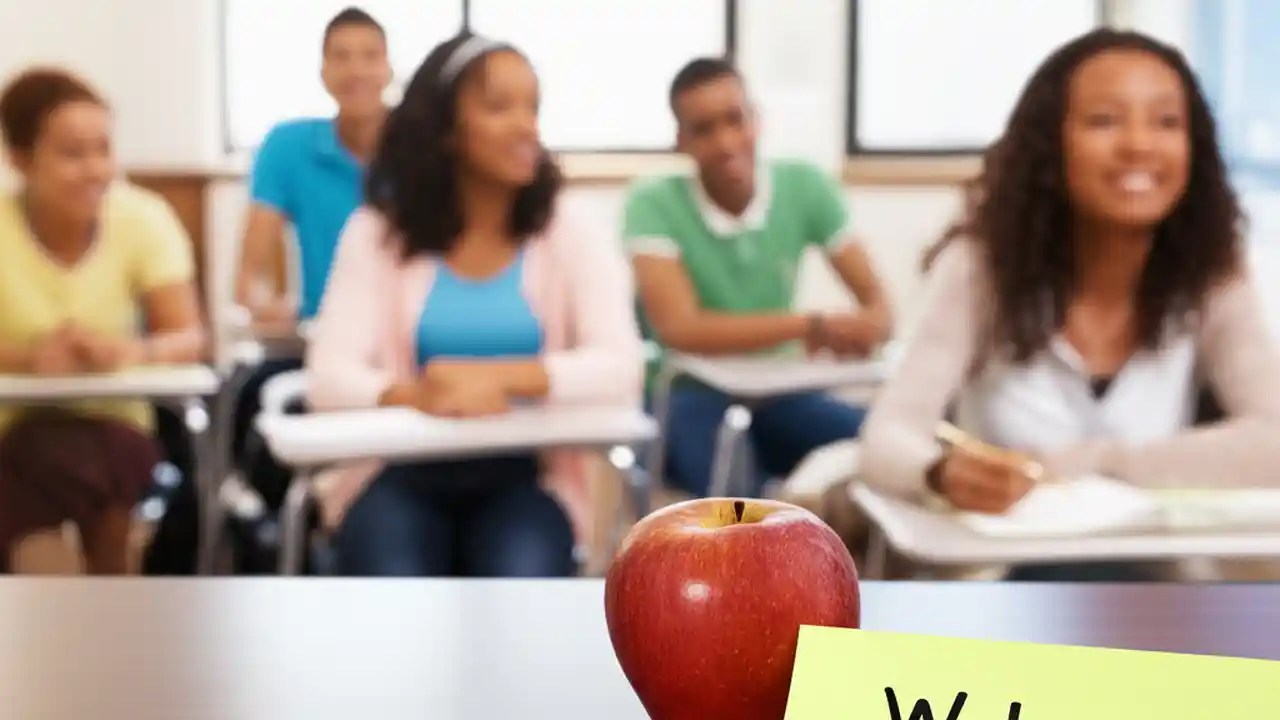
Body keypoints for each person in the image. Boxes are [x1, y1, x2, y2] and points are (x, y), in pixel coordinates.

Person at [860, 29, 1280, 581]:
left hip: (1160, 587)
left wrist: (1095, 464)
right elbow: (885, 438)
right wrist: (939, 472)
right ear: (1051, 146)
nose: (1139, 144)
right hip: (1005, 591)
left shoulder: (1213, 273)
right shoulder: (980, 268)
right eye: (1105, 120)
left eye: (1166, 122)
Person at [305, 33, 645, 577]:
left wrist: (500, 379)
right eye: (498, 106)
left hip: (528, 481)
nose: (526, 125)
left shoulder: (570, 227)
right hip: (397, 475)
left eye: (532, 107)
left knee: (520, 591)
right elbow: (328, 378)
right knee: (395, 597)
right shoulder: (375, 234)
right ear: (444, 128)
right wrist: (417, 393)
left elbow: (621, 367)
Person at [622, 58, 893, 499]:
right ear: (682, 141)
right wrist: (812, 326)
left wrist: (862, 329)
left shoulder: (805, 186)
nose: (726, 142)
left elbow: (881, 312)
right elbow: (680, 330)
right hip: (690, 393)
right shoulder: (652, 203)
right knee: (734, 497)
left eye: (735, 120)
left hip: (780, 389)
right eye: (704, 129)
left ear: (756, 119)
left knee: (884, 447)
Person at [0, 68, 207, 574]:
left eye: (103, 149)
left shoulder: (142, 217)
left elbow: (188, 337)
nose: (95, 169)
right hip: (13, 432)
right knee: (37, 474)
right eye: (73, 153)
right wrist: (31, 360)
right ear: (21, 159)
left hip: (113, 430)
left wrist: (126, 353)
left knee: (100, 482)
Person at [229, 7, 392, 543]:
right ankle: (289, 530)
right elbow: (250, 270)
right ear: (322, 72)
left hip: (404, 347)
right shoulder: (288, 147)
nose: (355, 70)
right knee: (252, 396)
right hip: (319, 341)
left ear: (390, 69)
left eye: (369, 56)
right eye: (340, 57)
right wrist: (262, 304)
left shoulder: (422, 151)